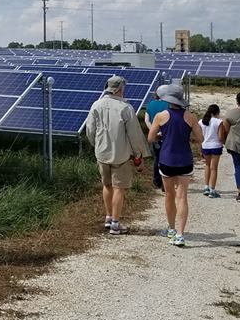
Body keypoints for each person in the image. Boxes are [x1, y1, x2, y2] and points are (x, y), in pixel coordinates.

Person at [84, 75, 148, 235]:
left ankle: (108, 217)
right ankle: (115, 223)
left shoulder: (96, 105)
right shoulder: (125, 108)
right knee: (119, 188)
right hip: (121, 155)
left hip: (102, 153)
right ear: (120, 89)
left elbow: (90, 130)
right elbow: (134, 135)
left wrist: (96, 145)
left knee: (107, 185)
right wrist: (138, 155)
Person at [147, 85, 203, 248]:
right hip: (185, 160)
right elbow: (201, 138)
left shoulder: (161, 116)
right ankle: (180, 234)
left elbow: (151, 138)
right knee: (182, 196)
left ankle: (171, 229)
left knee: (169, 195)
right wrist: (190, 139)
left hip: (167, 159)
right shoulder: (190, 116)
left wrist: (161, 136)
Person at [143, 85, 171, 190]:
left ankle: (156, 181)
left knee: (157, 158)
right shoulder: (169, 105)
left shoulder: (151, 104)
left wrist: (153, 131)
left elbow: (146, 120)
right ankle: (165, 183)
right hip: (166, 136)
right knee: (166, 159)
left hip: (154, 136)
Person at [199, 104, 223, 198]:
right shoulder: (218, 122)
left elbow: (200, 137)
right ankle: (212, 190)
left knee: (207, 166)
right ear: (217, 113)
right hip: (216, 146)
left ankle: (206, 187)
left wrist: (200, 149)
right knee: (214, 168)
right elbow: (220, 137)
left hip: (205, 146)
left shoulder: (201, 121)